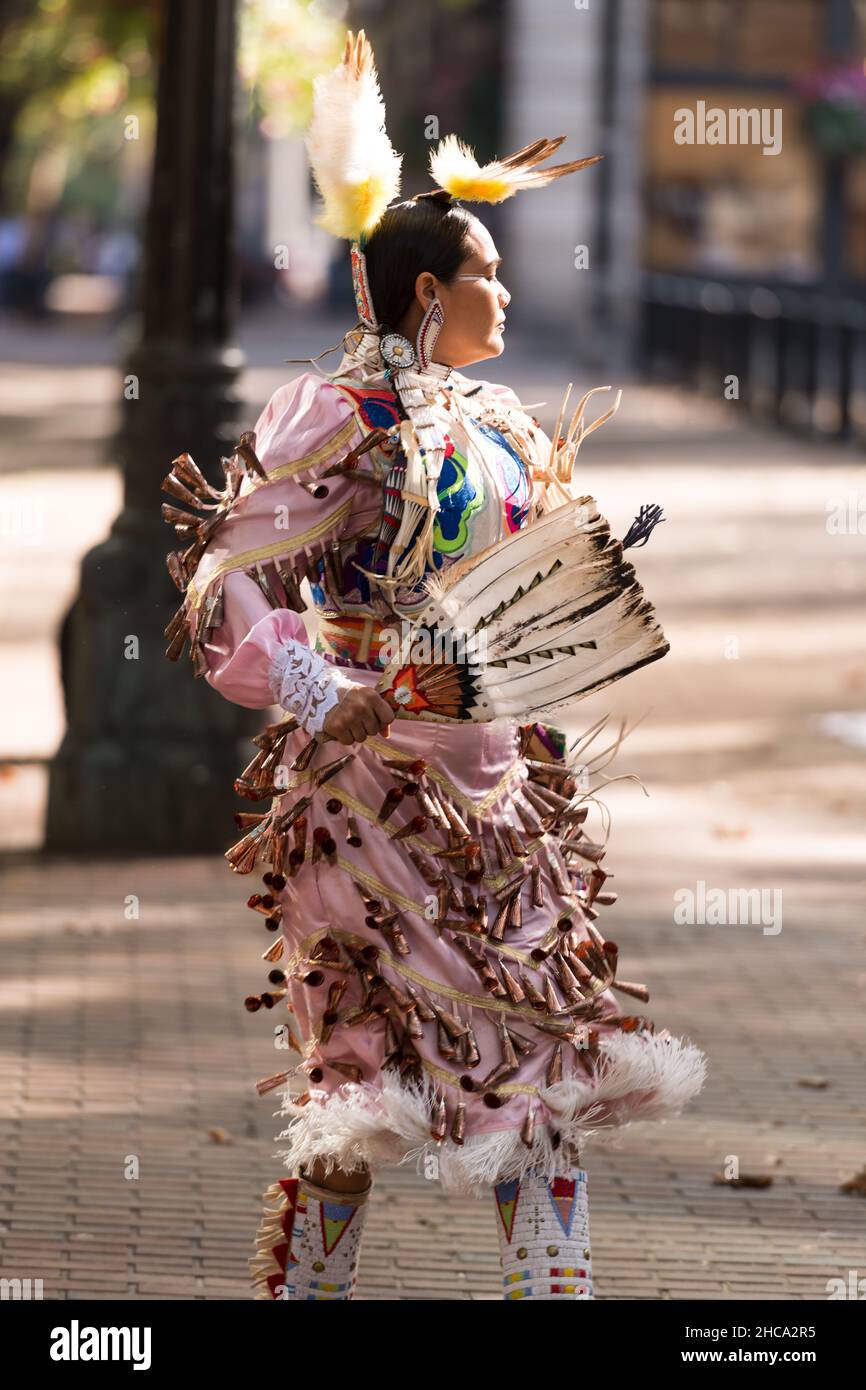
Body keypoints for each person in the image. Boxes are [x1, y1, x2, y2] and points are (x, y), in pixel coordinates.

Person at [160, 29, 707, 1301]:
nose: (506, 298)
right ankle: (302, 1291)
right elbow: (222, 569)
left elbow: (527, 589)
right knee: (361, 1082)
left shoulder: (501, 429)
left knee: (537, 1065)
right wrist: (313, 687)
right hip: (366, 805)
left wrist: (582, 584)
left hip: (504, 805)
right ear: (422, 295)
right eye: (487, 277)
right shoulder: (337, 421)